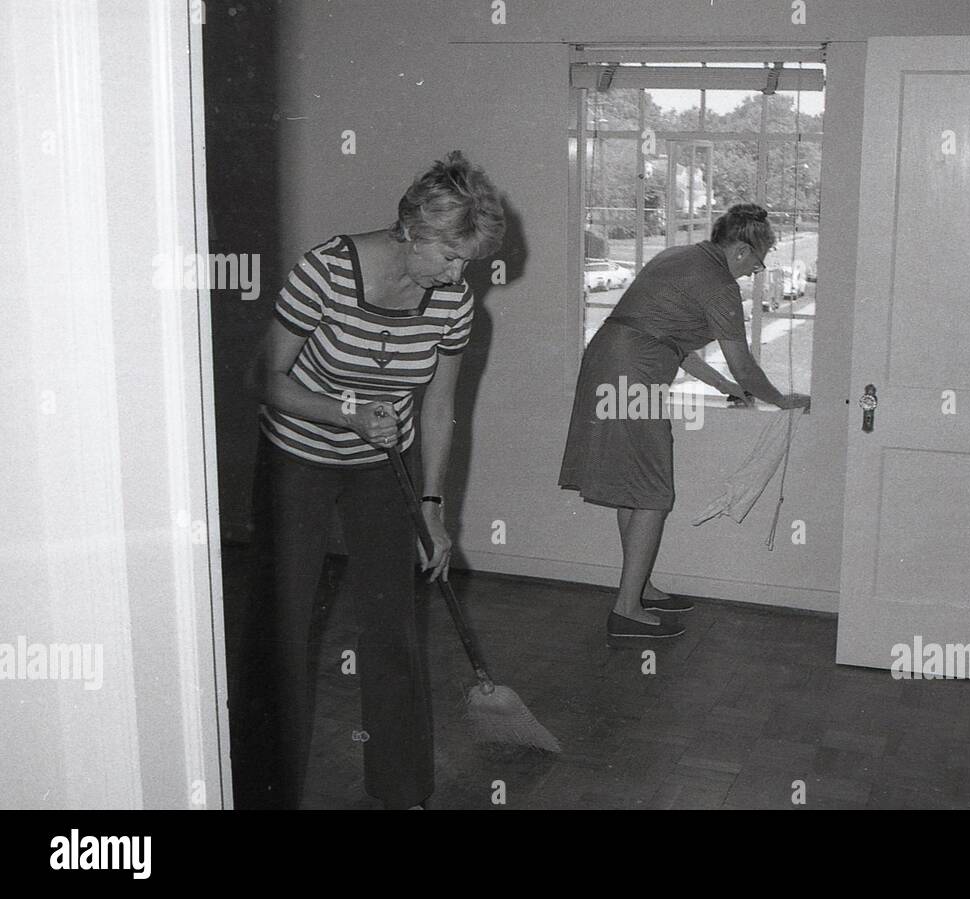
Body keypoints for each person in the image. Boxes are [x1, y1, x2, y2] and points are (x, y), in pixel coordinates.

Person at [237, 151, 505, 809]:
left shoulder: (453, 301)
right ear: (412, 228)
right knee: (283, 627)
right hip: (298, 455)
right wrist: (345, 412)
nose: (456, 274)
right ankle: (260, 791)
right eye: (447, 256)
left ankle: (403, 790)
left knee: (393, 628)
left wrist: (434, 508)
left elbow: (439, 404)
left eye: (467, 260)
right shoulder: (328, 269)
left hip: (385, 466)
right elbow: (260, 377)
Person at [559, 203, 811, 639]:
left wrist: (721, 386)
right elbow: (744, 364)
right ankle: (626, 610)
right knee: (654, 492)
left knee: (633, 487)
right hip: (630, 373)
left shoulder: (678, 256)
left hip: (610, 358)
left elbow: (668, 339)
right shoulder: (719, 285)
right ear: (739, 249)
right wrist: (780, 399)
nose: (758, 269)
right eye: (757, 258)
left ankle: (639, 589)